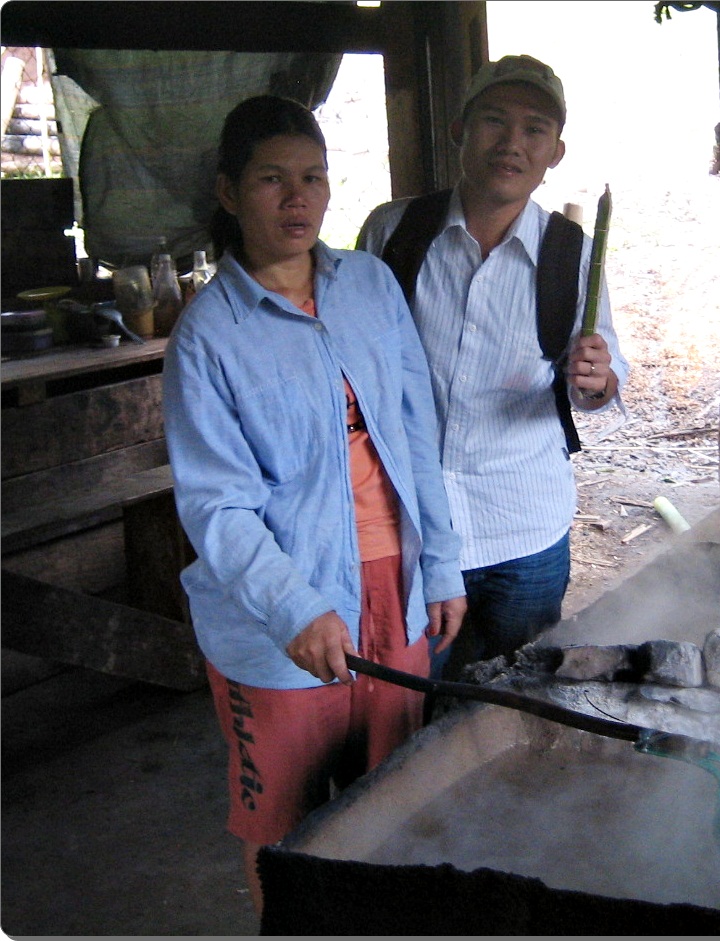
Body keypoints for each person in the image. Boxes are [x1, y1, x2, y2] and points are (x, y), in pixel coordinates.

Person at [162, 95, 467, 915]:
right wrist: (294, 605)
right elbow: (219, 507)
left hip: (393, 588)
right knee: (287, 826)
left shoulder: (368, 284)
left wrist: (440, 564)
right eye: (272, 179)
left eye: (313, 177)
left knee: (389, 802)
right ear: (229, 192)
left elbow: (413, 432)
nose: (298, 199)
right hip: (278, 612)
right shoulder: (208, 334)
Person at [357, 55, 629, 682]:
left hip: (523, 531)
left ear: (555, 152)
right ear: (460, 130)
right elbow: (353, 364)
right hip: (411, 529)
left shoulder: (570, 254)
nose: (512, 144)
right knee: (408, 703)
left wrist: (594, 382)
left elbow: (601, 381)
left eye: (534, 129)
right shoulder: (394, 232)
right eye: (493, 122)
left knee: (517, 699)